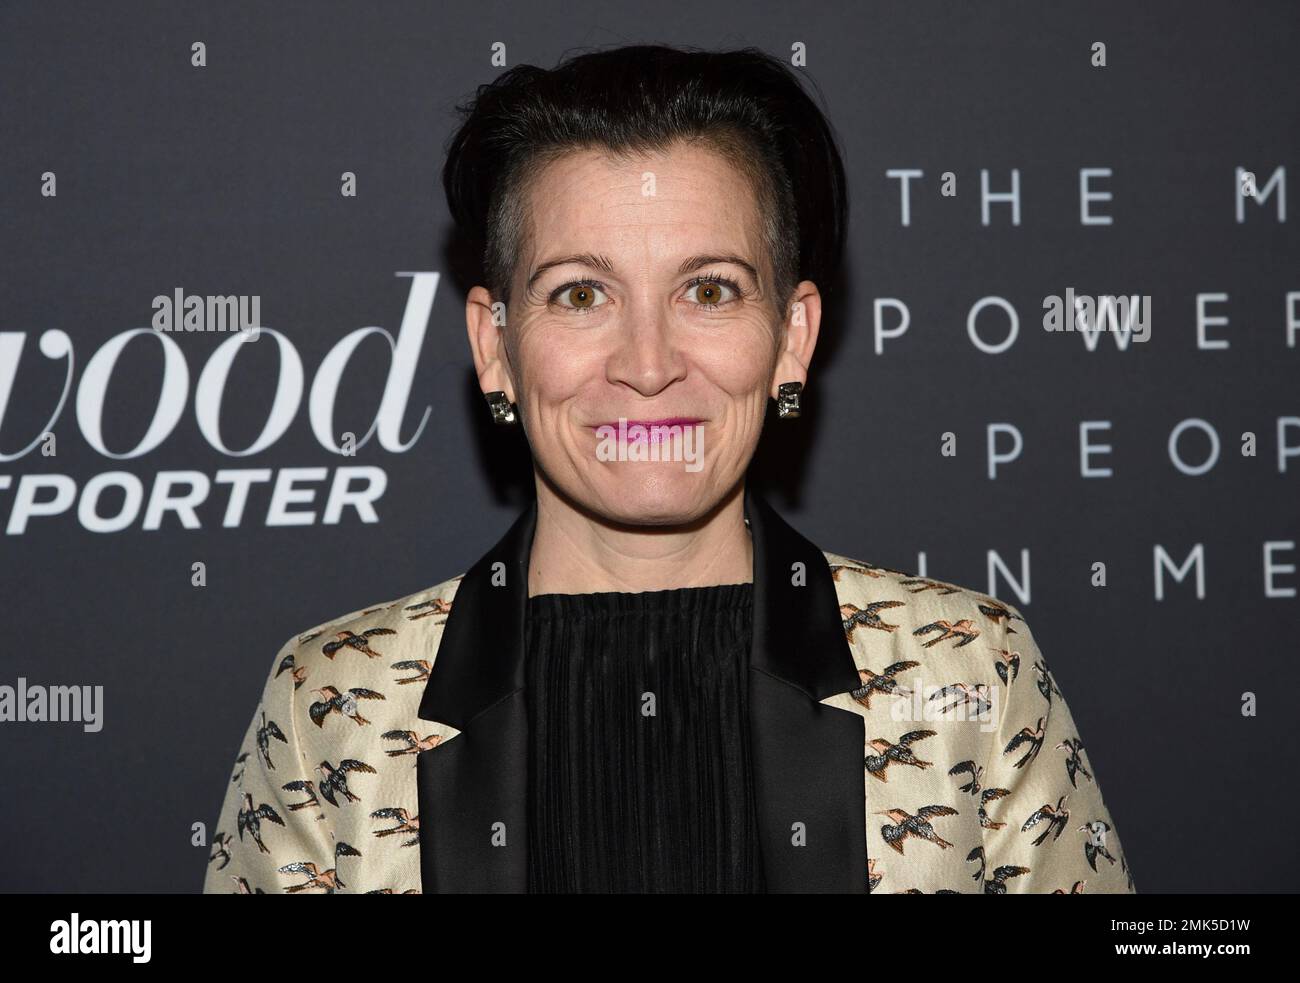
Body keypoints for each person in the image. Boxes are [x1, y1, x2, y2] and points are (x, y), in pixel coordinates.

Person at [203, 43, 1134, 894]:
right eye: (579, 293)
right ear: (495, 346)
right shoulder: (332, 701)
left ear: (792, 337)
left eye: (709, 290)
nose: (647, 364)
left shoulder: (970, 669)